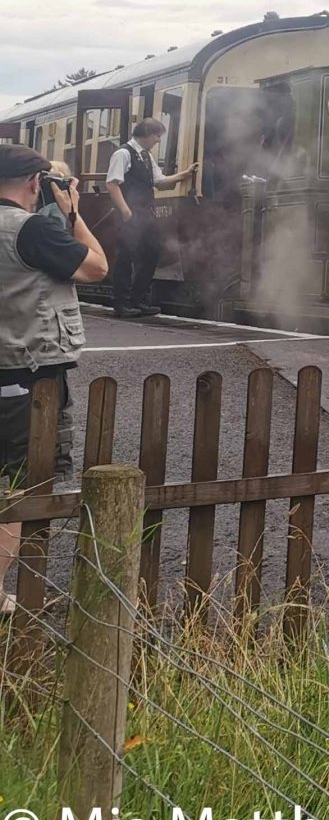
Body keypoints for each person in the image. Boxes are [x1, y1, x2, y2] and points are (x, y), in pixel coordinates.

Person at [0, 143, 109, 612]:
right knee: (20, 483)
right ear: (33, 183)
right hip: (29, 375)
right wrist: (74, 213)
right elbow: (96, 267)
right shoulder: (33, 229)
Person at [103, 117, 195, 317]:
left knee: (151, 252)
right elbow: (112, 183)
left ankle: (139, 299)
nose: (158, 141)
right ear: (146, 135)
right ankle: (122, 302)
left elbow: (159, 181)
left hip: (146, 213)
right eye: (157, 136)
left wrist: (184, 175)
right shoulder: (123, 154)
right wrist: (125, 210)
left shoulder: (146, 156)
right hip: (129, 213)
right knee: (126, 256)